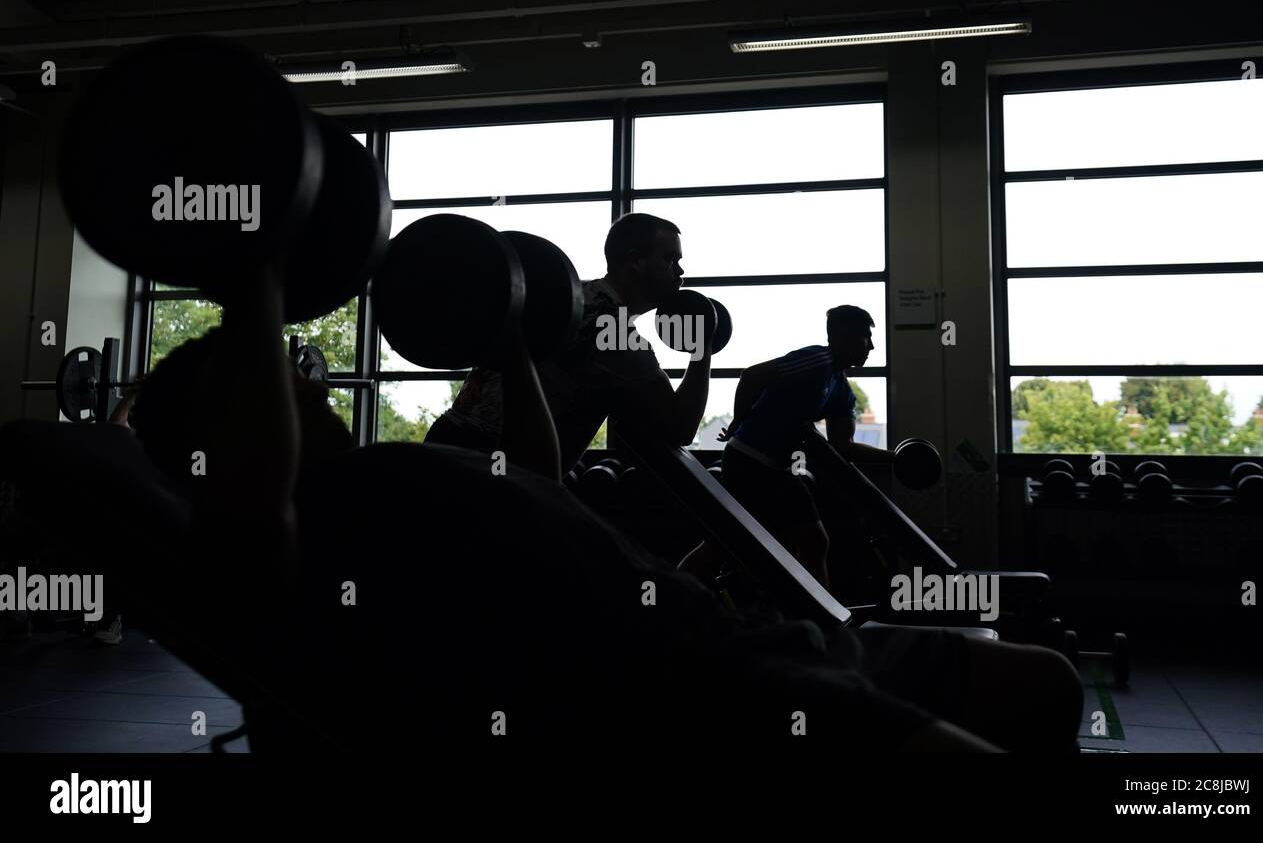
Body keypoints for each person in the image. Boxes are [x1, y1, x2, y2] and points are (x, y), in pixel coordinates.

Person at [114, 264, 1080, 754]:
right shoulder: (314, 517)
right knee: (1026, 696)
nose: (314, 380)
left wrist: (515, 345)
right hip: (692, 687)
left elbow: (538, 464)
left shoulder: (403, 462)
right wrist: (254, 282)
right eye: (290, 382)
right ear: (239, 427)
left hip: (729, 639)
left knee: (1046, 679)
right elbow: (666, 420)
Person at [426, 212, 712, 476]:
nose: (680, 272)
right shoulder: (614, 335)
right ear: (635, 260)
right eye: (670, 259)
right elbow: (680, 427)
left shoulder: (566, 297)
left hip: (447, 444)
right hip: (497, 467)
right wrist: (702, 345)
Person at [681, 305, 881, 588]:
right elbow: (751, 376)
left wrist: (895, 460)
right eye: (865, 337)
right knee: (727, 542)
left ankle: (819, 622)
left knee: (814, 542)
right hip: (748, 461)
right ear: (842, 335)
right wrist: (739, 420)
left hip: (779, 470)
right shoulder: (816, 360)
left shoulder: (842, 390)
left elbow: (842, 446)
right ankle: (670, 595)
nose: (871, 346)